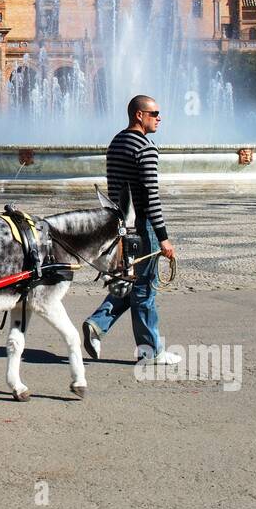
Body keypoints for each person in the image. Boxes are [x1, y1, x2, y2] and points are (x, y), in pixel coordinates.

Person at [81, 94, 181, 366]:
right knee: (146, 288)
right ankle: (151, 351)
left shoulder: (117, 142)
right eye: (154, 113)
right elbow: (151, 196)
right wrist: (163, 237)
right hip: (142, 226)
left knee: (132, 282)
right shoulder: (145, 147)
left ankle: (97, 324)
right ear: (139, 115)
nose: (159, 118)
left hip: (119, 225)